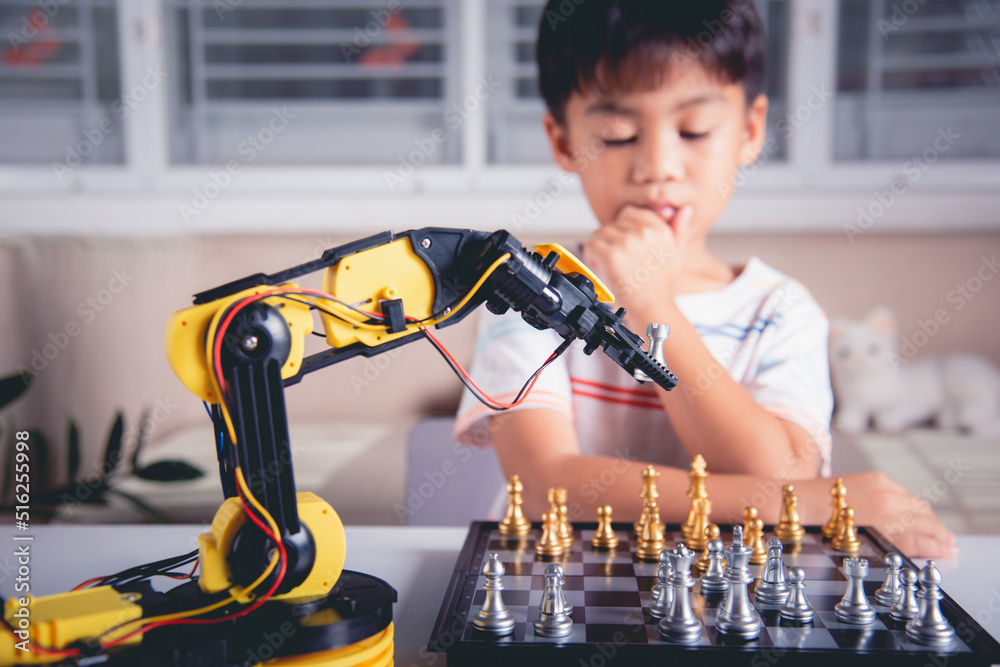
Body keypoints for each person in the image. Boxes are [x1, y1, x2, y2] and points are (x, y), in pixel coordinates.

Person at [453, 0, 955, 558]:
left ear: (749, 129)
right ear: (565, 142)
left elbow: (779, 469)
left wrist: (653, 304)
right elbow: (545, 487)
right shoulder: (527, 293)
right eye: (618, 134)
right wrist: (813, 504)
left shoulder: (781, 309)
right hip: (560, 601)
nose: (659, 165)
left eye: (693, 129)